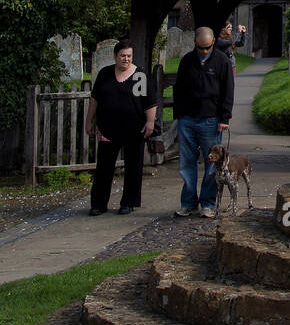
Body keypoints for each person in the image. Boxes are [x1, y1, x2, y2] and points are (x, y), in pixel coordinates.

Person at [86, 39, 155, 216]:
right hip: (108, 128)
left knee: (133, 166)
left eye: (129, 56)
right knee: (104, 167)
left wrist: (150, 122)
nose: (126, 59)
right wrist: (89, 121)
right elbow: (95, 99)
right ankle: (99, 204)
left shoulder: (139, 75)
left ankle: (128, 202)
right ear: (115, 56)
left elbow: (148, 102)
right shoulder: (105, 74)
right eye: (122, 56)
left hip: (134, 128)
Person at [172, 26, 234, 219]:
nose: (205, 51)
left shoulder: (222, 62)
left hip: (211, 119)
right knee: (186, 162)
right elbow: (179, 89)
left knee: (211, 164)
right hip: (188, 118)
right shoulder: (187, 61)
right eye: (201, 48)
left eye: (208, 47)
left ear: (213, 42)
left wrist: (224, 118)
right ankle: (188, 202)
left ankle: (207, 203)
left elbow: (228, 91)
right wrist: (179, 114)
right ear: (195, 44)